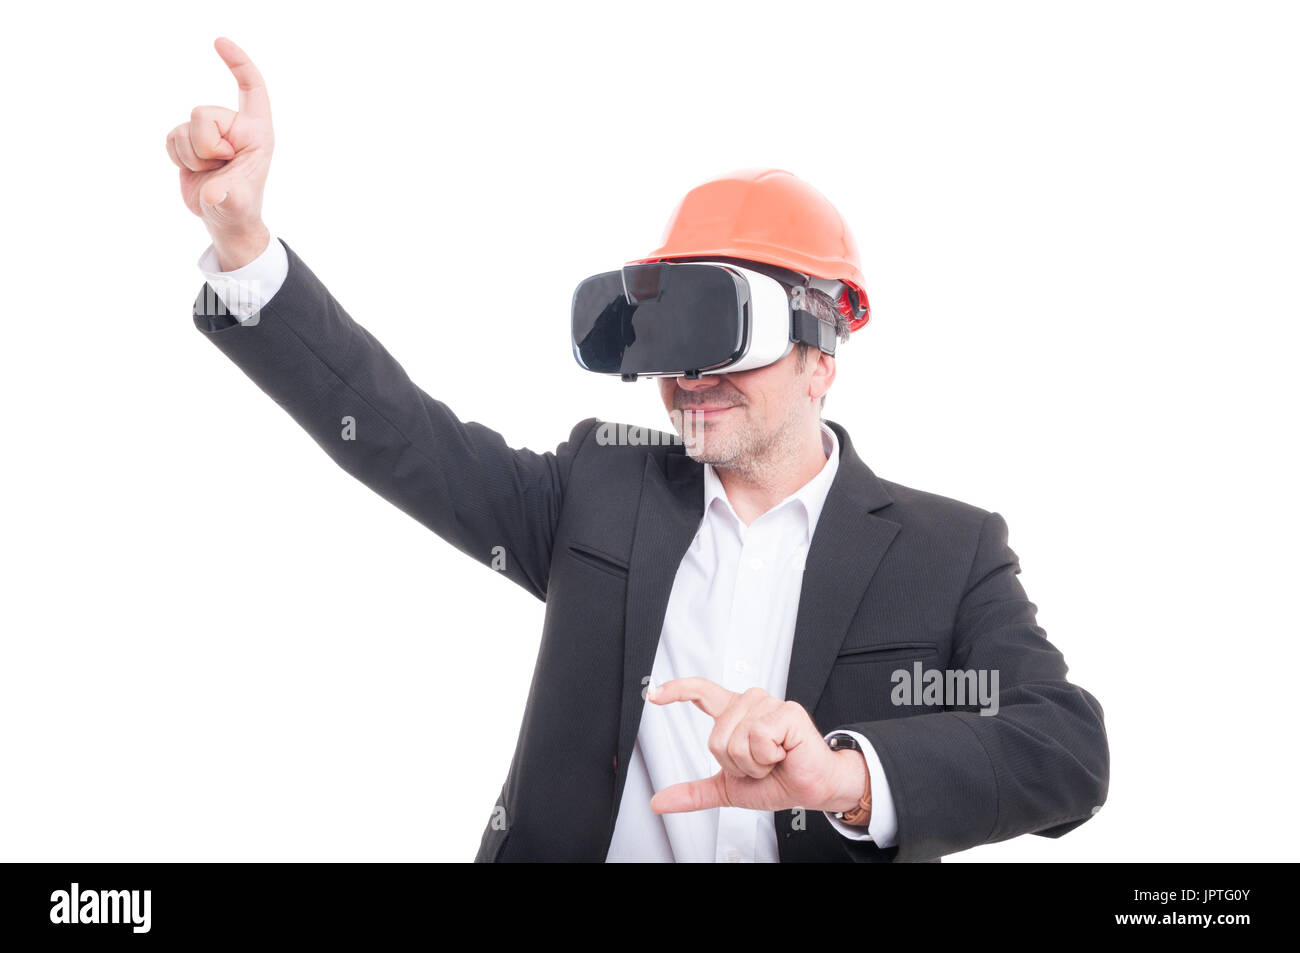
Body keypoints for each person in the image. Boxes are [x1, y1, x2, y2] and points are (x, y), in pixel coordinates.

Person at [167, 37, 1109, 863]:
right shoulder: (600, 488)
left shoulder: (949, 551)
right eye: (667, 337)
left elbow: (1065, 748)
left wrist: (851, 776)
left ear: (823, 352)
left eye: (727, 330)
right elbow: (402, 434)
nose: (690, 377)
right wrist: (243, 243)